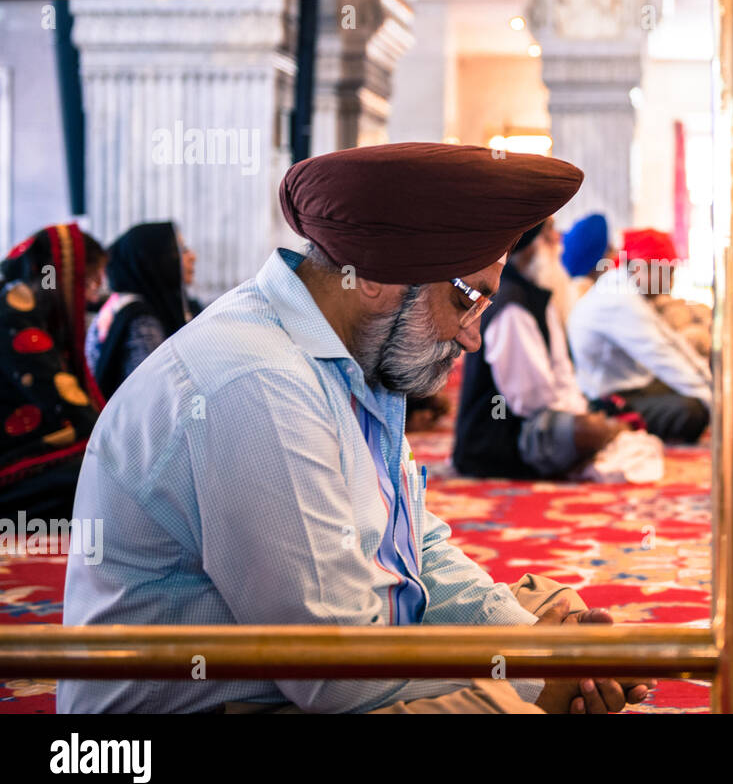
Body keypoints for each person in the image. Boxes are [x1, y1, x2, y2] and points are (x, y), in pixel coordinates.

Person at [60, 142, 655, 715]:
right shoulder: (255, 383)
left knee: (549, 609)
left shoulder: (351, 356)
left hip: (309, 665)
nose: (474, 335)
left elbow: (414, 552)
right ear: (373, 277)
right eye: (468, 299)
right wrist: (530, 676)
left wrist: (536, 644)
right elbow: (338, 671)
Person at [453, 217, 643, 481]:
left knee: (599, 418)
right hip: (497, 439)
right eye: (549, 231)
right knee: (589, 430)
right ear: (529, 245)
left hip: (535, 422)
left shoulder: (537, 295)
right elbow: (531, 400)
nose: (558, 241)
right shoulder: (512, 304)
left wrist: (581, 411)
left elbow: (563, 374)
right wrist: (585, 423)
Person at [0, 225, 106, 518]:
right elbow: (60, 398)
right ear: (65, 276)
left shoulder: (25, 307)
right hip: (8, 458)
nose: (93, 292)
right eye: (89, 280)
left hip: (19, 442)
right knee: (96, 470)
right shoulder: (14, 314)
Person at [566, 227, 711, 443]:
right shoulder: (618, 298)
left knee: (694, 392)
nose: (669, 283)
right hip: (607, 401)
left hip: (634, 388)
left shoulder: (628, 292)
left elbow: (671, 343)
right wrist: (712, 402)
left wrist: (709, 384)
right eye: (666, 273)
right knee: (692, 410)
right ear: (639, 268)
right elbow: (661, 356)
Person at [85, 221, 193, 399]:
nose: (192, 256)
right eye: (181, 250)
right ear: (154, 260)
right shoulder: (140, 321)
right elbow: (158, 395)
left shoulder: (120, 304)